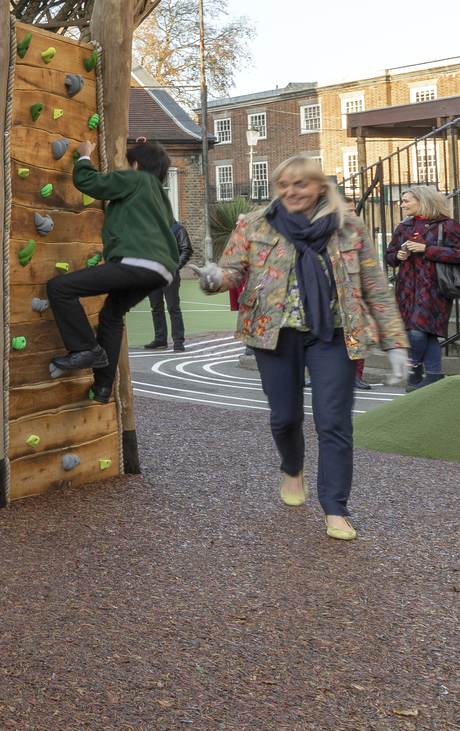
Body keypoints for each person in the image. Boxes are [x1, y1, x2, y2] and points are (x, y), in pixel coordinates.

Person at [199, 156, 409, 541]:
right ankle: (292, 466)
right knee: (284, 417)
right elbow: (232, 270)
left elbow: (375, 286)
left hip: (334, 333)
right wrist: (214, 278)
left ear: (320, 187)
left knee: (334, 420)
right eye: (284, 185)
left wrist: (395, 343)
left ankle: (335, 508)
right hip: (272, 332)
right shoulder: (254, 223)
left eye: (301, 184)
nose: (291, 192)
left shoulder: (350, 226)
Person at [43, 141, 181, 401]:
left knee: (59, 287)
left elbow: (91, 184)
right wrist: (110, 254)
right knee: (111, 315)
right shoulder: (159, 195)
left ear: (136, 166)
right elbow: (142, 231)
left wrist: (84, 157)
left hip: (139, 264)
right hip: (160, 270)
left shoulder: (136, 179)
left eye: (124, 163)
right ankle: (103, 387)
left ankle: (86, 349)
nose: (120, 167)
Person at [382, 185, 455, 391]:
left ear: (422, 201)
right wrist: (397, 256)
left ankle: (412, 364)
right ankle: (434, 374)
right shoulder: (404, 227)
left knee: (417, 330)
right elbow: (389, 256)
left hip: (434, 288)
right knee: (426, 332)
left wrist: (428, 249)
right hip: (406, 288)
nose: (402, 204)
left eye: (406, 201)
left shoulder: (448, 225)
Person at [141, 216, 193, 353]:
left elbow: (186, 250)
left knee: (173, 307)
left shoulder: (178, 230)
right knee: (156, 307)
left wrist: (174, 267)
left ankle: (178, 341)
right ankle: (160, 339)